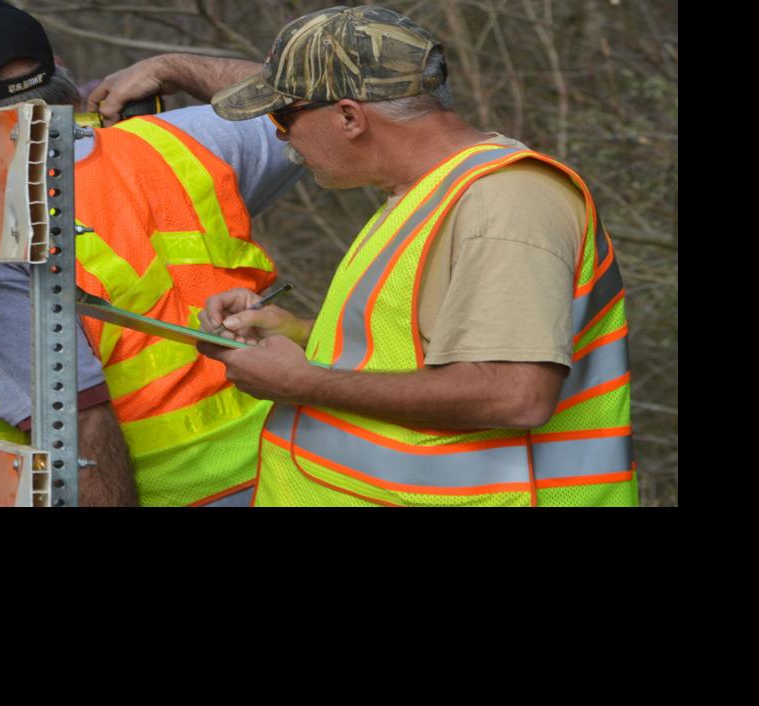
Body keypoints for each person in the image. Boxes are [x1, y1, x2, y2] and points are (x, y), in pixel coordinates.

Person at [99, 6, 636, 506]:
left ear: (350, 117)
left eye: (284, 120)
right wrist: (299, 333)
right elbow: (424, 347)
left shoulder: (507, 201)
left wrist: (302, 384)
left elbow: (513, 395)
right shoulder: (427, 193)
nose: (285, 142)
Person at [0, 0, 303, 506]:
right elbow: (311, 93)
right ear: (59, 73)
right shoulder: (176, 143)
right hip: (294, 466)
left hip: (174, 494)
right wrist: (169, 66)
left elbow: (80, 428)